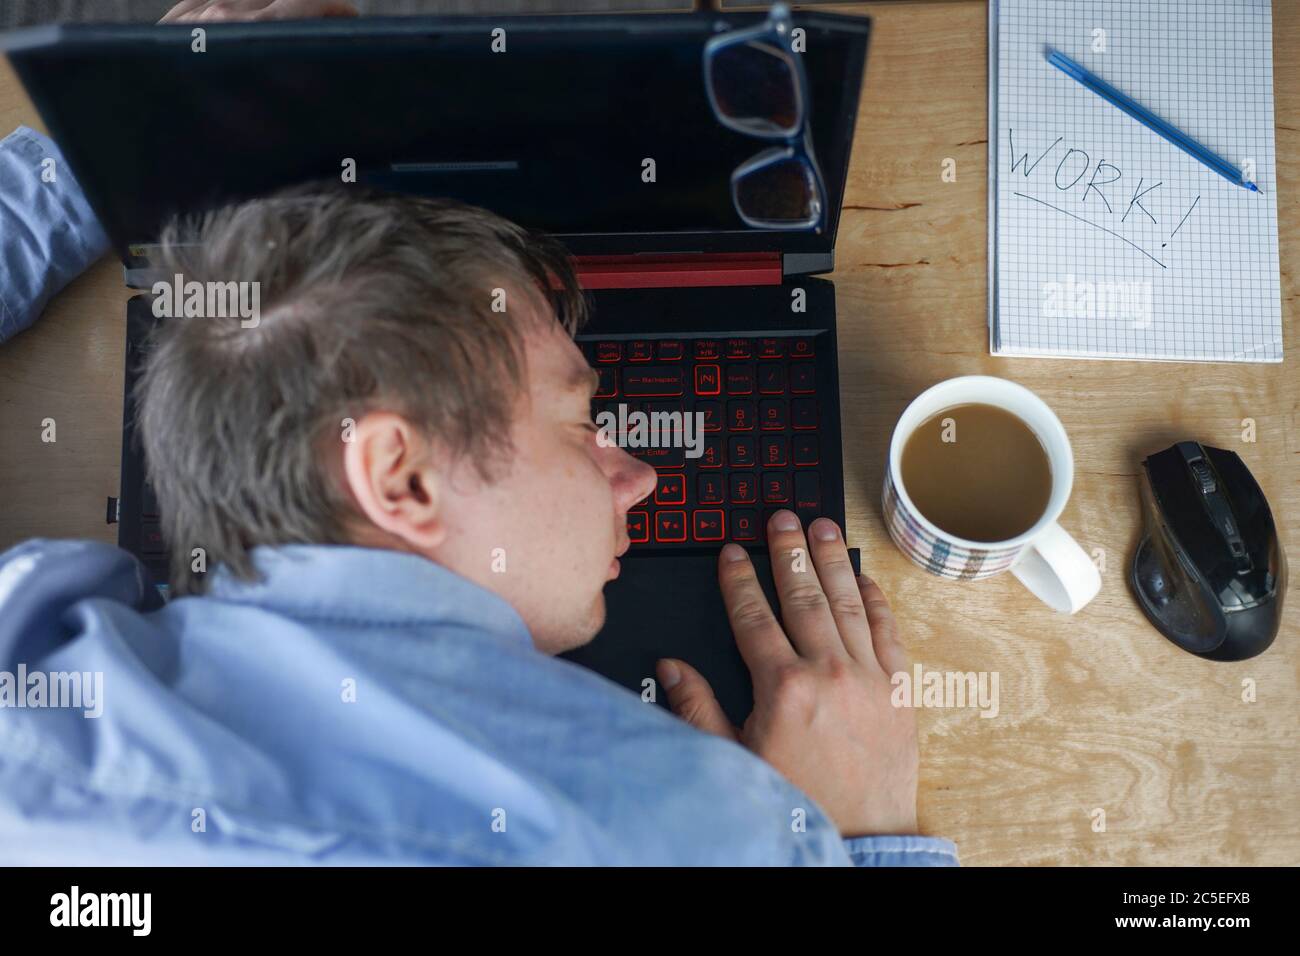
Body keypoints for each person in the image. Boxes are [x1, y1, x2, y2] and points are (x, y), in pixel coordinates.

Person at [0, 0, 957, 866]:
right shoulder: (708, 828)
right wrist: (855, 826)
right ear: (399, 477)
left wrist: (127, 142)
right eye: (583, 422)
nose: (641, 477)